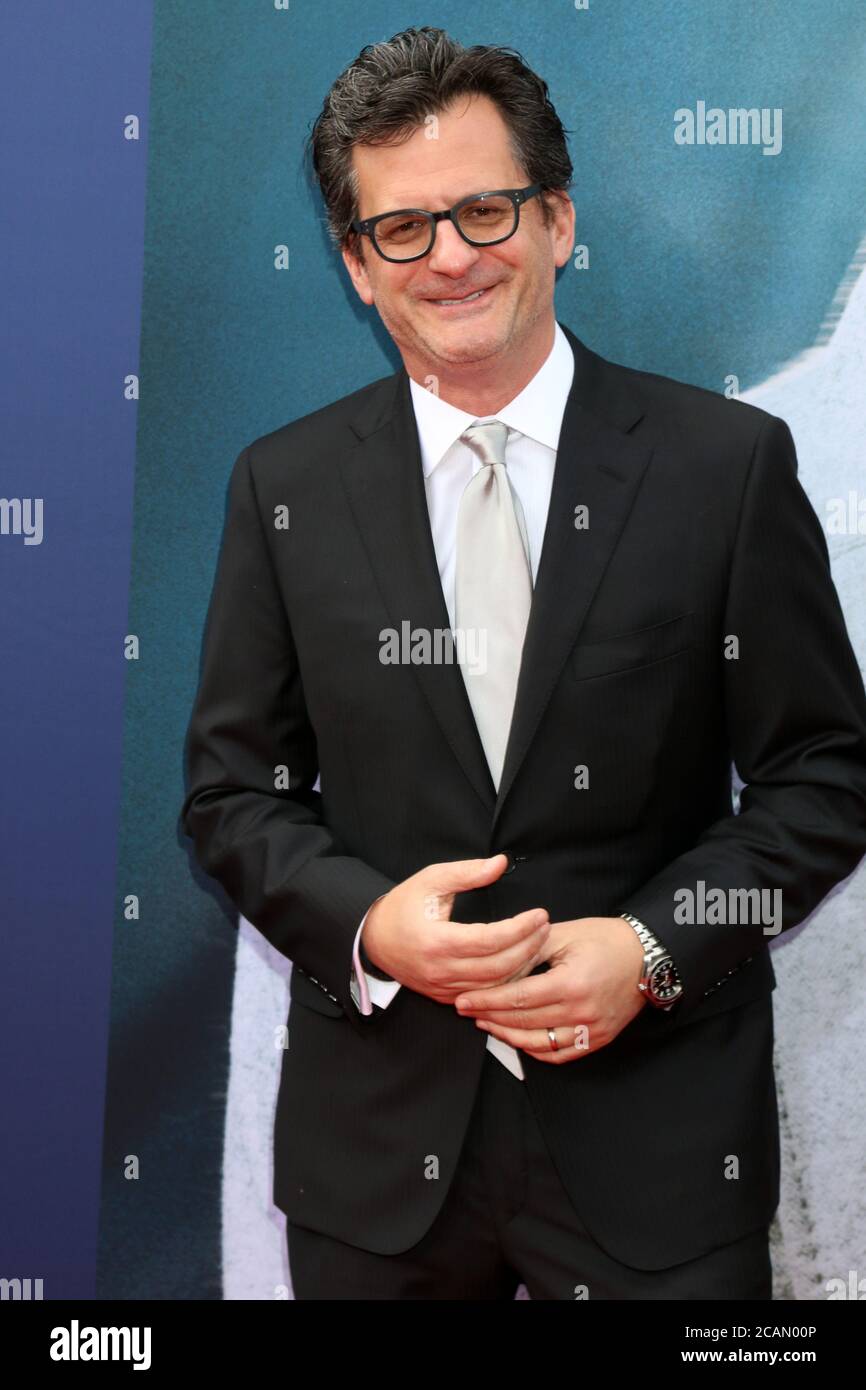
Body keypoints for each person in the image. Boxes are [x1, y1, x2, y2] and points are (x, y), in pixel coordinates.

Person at [181, 27, 866, 1299]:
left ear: (556, 219)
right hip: (376, 1166)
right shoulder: (282, 488)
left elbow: (822, 778)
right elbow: (231, 801)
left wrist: (652, 950)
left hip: (658, 1152)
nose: (449, 255)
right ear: (354, 264)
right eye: (402, 229)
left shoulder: (724, 468)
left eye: (484, 210)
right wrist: (374, 925)